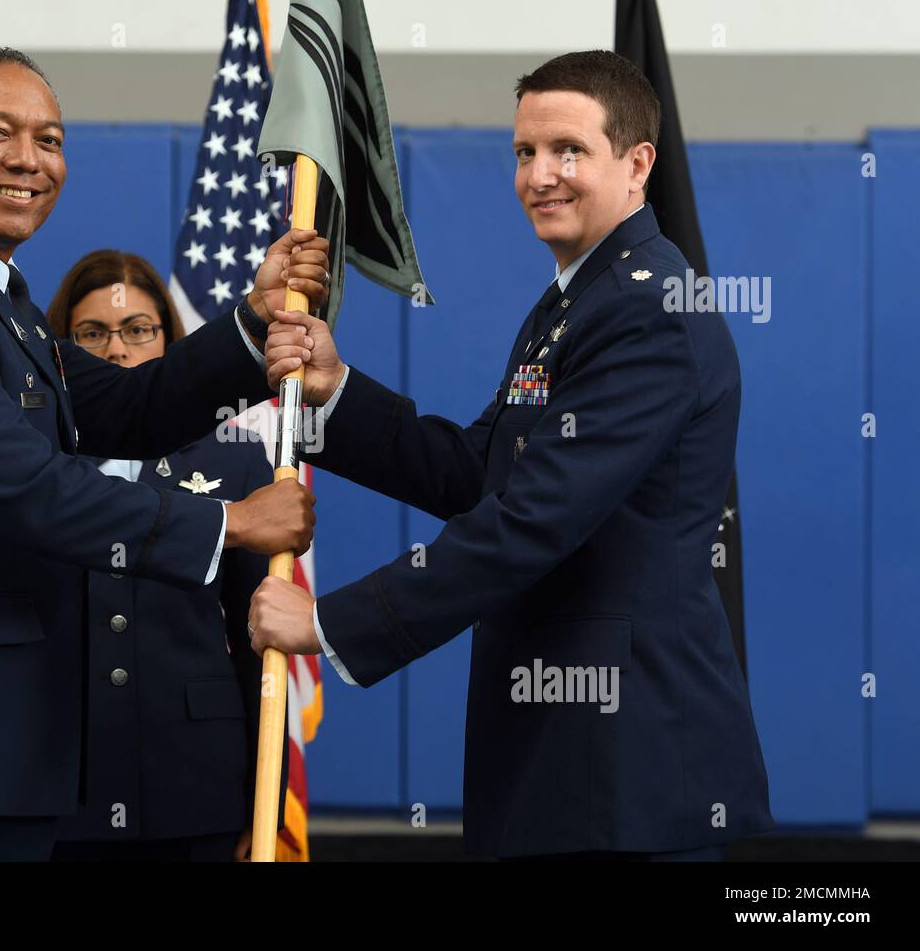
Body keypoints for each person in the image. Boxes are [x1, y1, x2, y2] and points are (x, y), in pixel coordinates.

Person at [0, 47, 330, 861]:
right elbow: (25, 488)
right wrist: (230, 523)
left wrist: (253, 321)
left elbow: (128, 404)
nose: (28, 159)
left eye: (50, 139)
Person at [250, 50, 773, 860]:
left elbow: (532, 520)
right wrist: (337, 390)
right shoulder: (574, 303)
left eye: (569, 150)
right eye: (525, 152)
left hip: (630, 782)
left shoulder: (649, 311)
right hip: (561, 768)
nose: (540, 175)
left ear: (637, 165)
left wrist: (328, 623)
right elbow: (478, 474)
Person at [43, 250, 281, 862]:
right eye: (92, 333)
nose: (117, 350)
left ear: (168, 340)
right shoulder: (28, 462)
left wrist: (266, 801)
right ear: (62, 350)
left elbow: (261, 641)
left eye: (137, 330)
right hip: (61, 789)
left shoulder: (233, 459)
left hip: (197, 781)